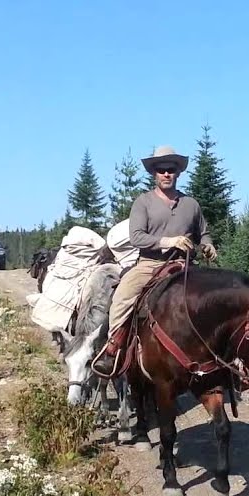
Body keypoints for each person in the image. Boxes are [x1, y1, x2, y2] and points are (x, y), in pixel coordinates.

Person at [91, 145, 216, 377]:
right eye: (161, 170)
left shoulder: (192, 205)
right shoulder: (143, 202)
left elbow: (203, 232)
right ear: (154, 173)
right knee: (122, 296)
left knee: (216, 299)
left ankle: (222, 357)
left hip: (185, 266)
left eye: (171, 169)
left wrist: (208, 245)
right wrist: (169, 242)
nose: (166, 174)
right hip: (150, 264)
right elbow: (137, 237)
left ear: (178, 172)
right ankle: (113, 348)